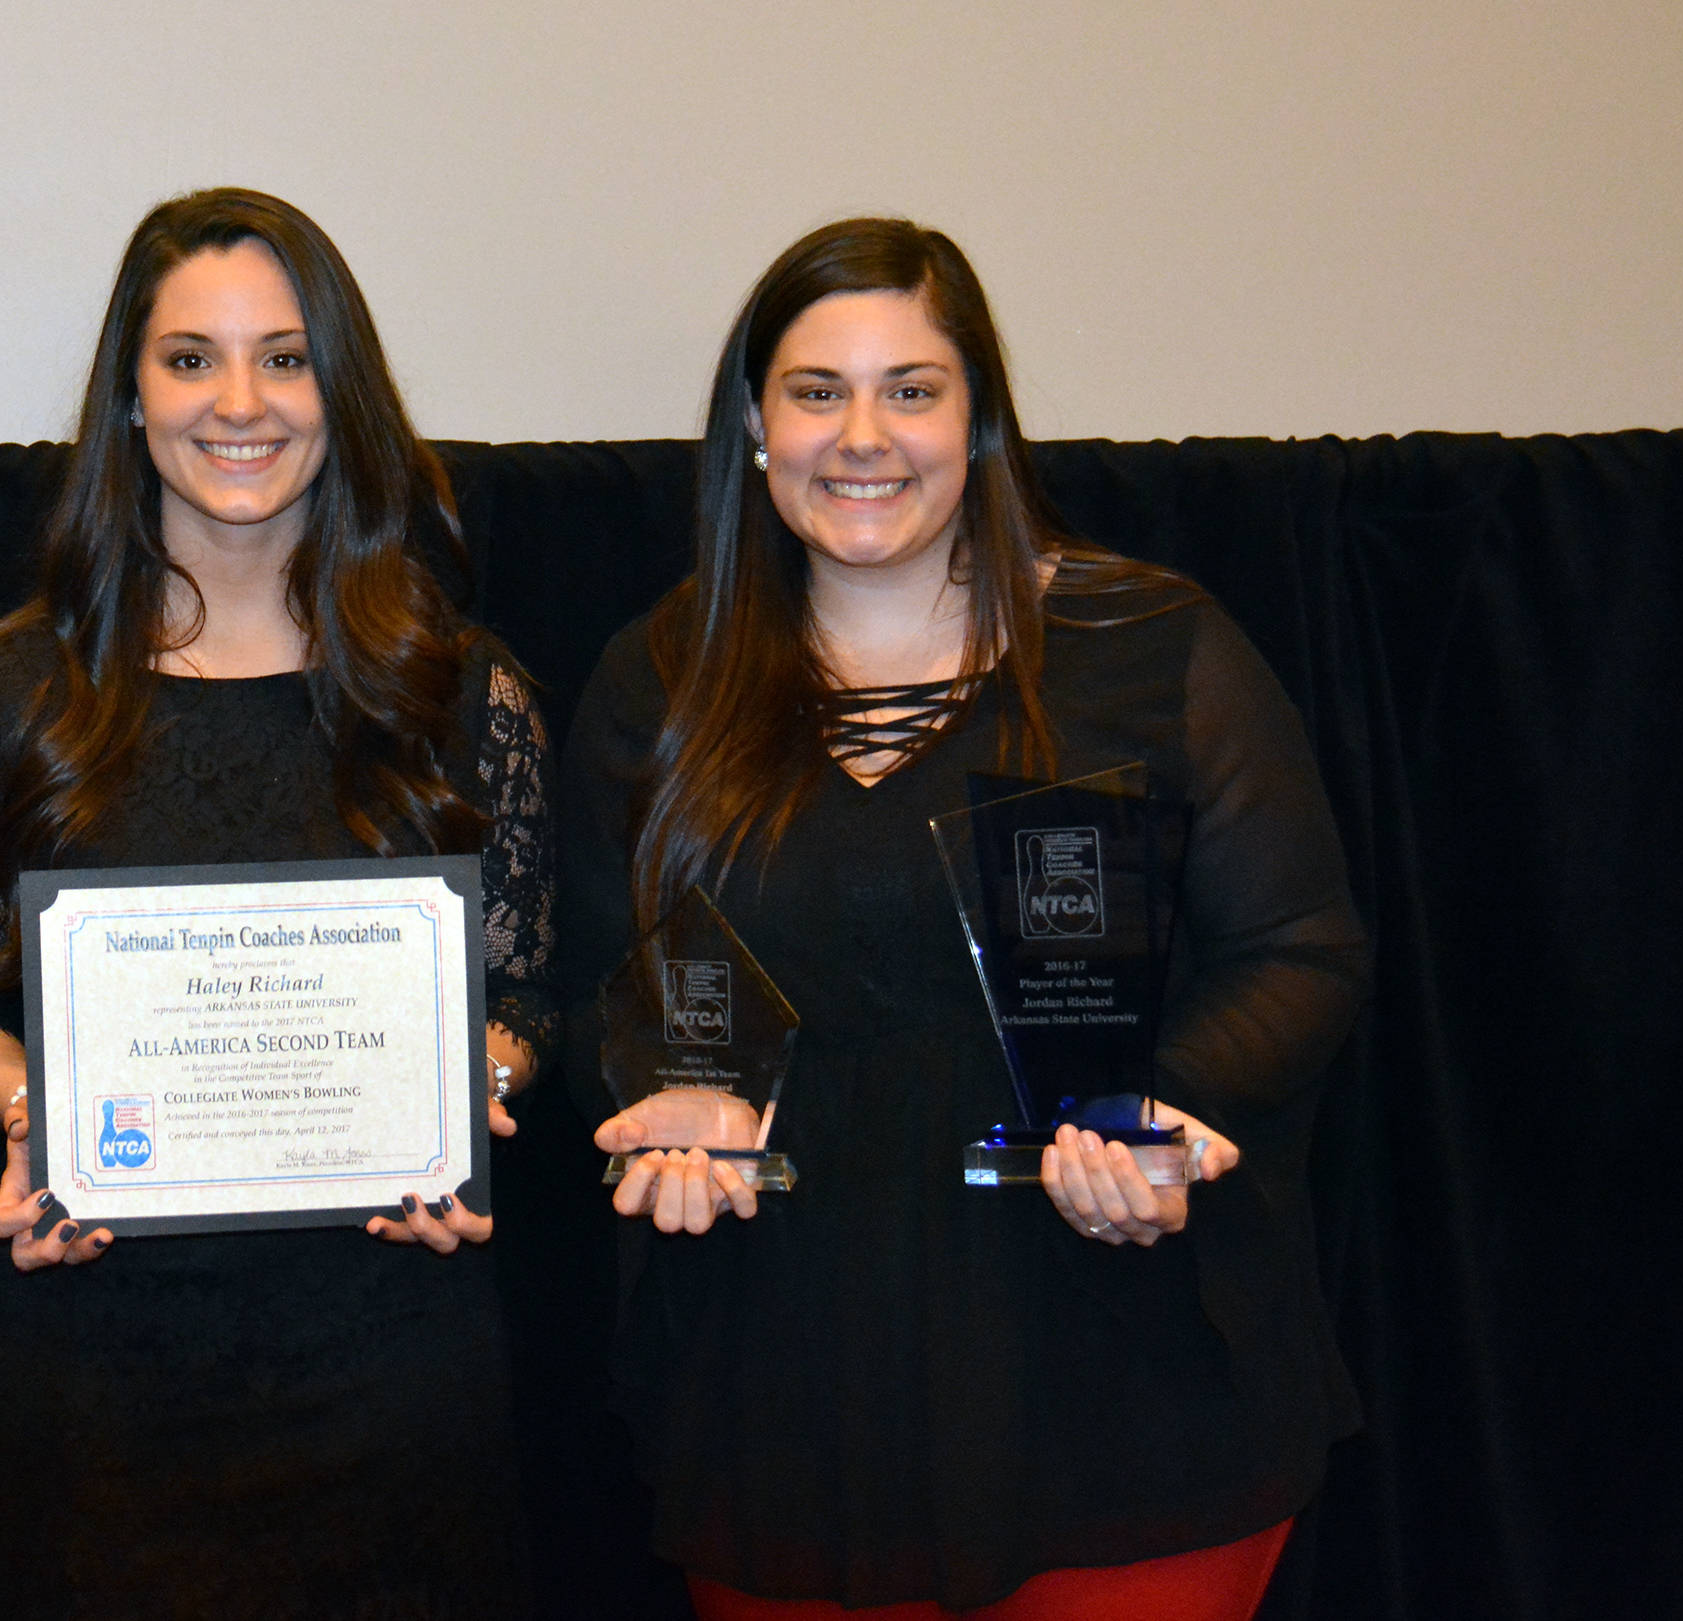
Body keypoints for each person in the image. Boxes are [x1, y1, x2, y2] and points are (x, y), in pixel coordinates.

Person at [555, 218, 1368, 1620]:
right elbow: (594, 979)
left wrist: (1157, 1110)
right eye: (817, 390)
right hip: (784, 1403)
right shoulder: (661, 677)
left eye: (912, 389)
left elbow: (1302, 952)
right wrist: (663, 1102)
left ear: (979, 419)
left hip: (1122, 1387)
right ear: (754, 424)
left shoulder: (1146, 646)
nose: (862, 435)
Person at [0, 187, 547, 1619]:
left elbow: (531, 1000)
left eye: (286, 357)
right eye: (190, 358)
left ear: (340, 391)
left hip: (395, 1369)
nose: (239, 403)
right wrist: (32, 1108)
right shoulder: (7, 694)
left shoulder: (459, 693)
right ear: (130, 395)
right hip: (97, 1382)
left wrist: (467, 1093)